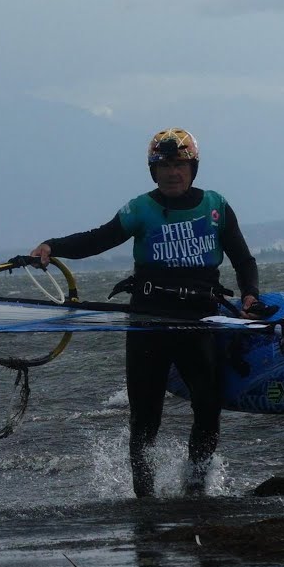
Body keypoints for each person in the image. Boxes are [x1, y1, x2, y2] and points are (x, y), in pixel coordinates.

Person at [30, 128, 263, 498]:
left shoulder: (216, 205)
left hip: (198, 322)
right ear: (153, 171)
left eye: (180, 165)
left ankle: (195, 488)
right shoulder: (140, 209)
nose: (173, 172)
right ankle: (145, 498)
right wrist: (51, 246)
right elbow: (98, 239)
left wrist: (250, 295)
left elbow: (243, 259)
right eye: (165, 165)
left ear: (193, 168)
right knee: (145, 418)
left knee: (208, 405)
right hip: (147, 324)